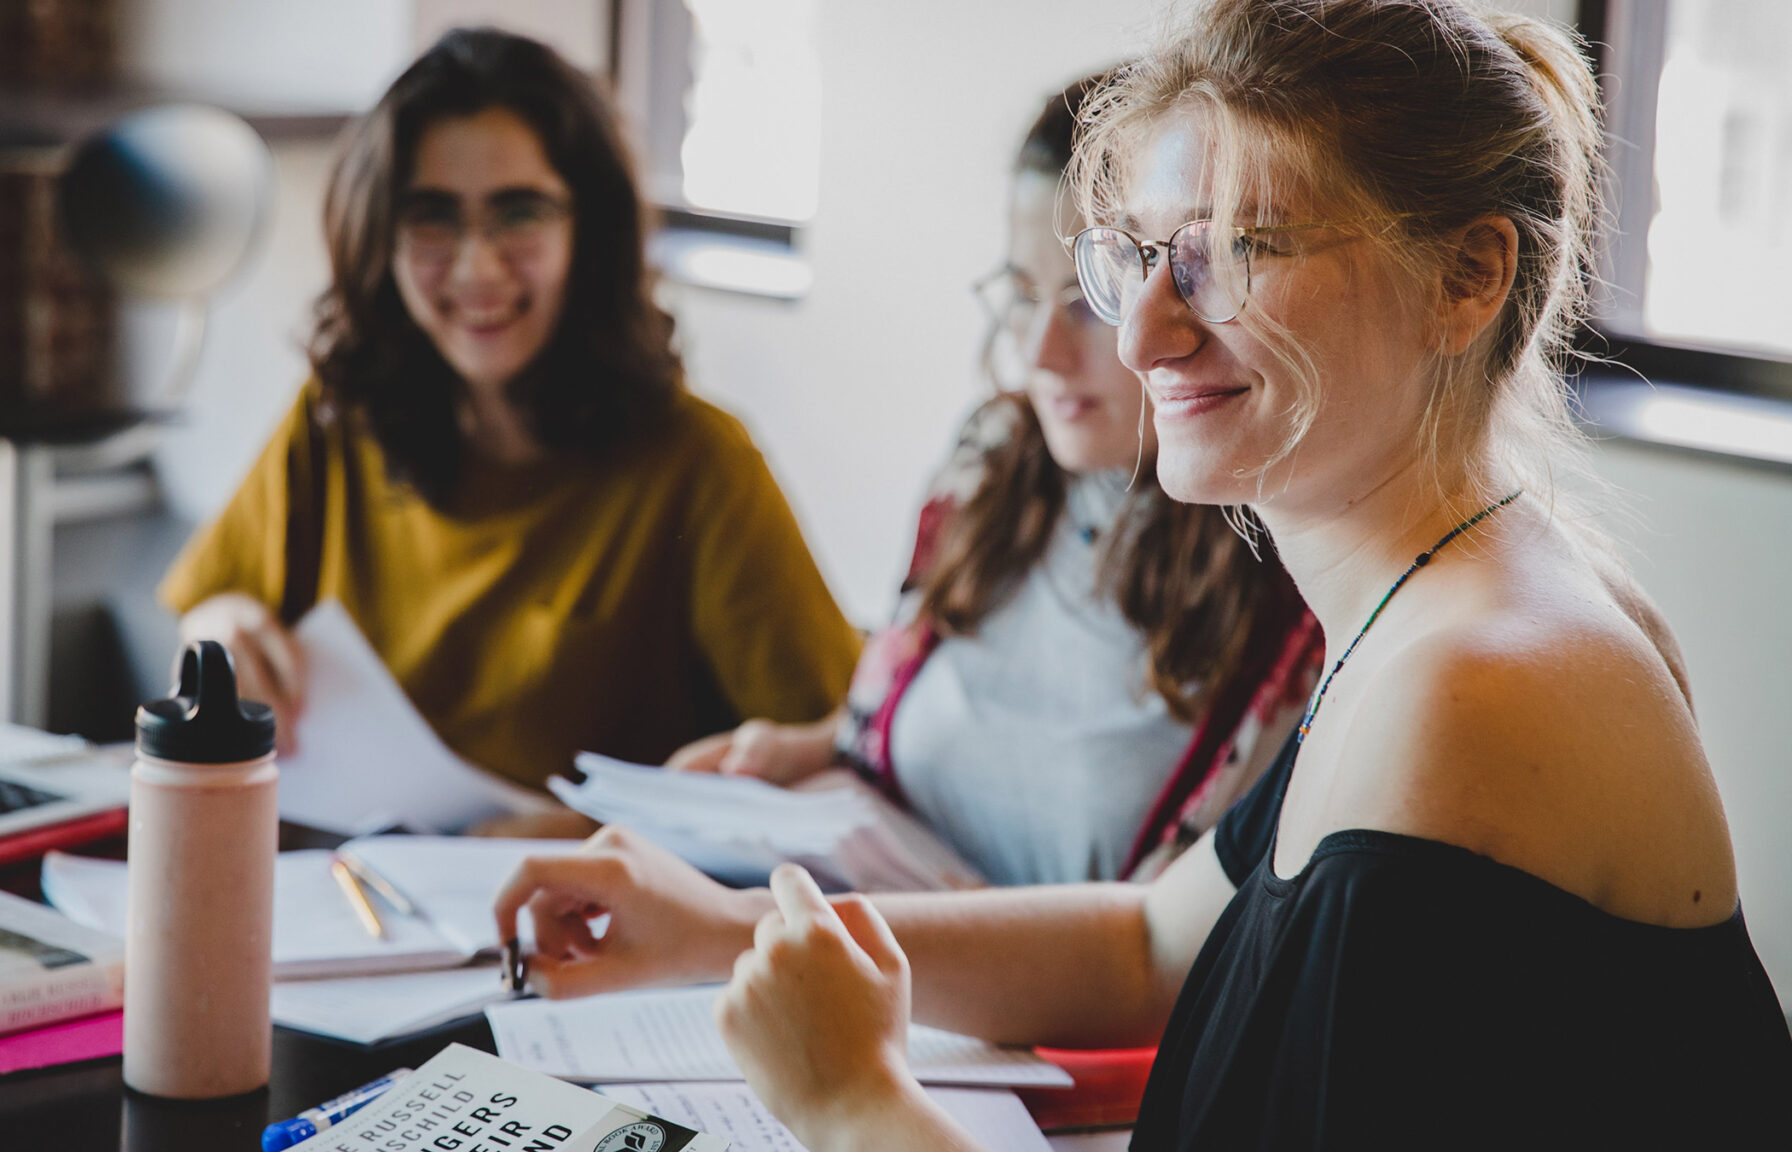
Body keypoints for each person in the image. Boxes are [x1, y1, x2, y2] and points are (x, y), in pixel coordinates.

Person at [495, 0, 1792, 1144]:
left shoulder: (1475, 694)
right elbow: (1151, 943)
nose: (1148, 335)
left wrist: (853, 1105)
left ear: (1468, 278)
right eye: (1139, 259)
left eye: (1239, 252)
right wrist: (716, 932)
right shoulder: (1432, 614)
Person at [159, 29, 861, 821]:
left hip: (585, 922)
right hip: (338, 901)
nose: (476, 269)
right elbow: (211, 609)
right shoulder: (334, 421)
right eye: (432, 220)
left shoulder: (699, 466)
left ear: (587, 231)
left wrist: (597, 829)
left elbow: (843, 753)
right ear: (380, 243)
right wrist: (214, 631)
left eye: (517, 214)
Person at [666, 75, 1320, 887]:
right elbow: (909, 740)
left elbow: (1171, 958)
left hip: (1011, 1009)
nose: (1039, 353)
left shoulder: (1293, 595)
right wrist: (802, 751)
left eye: (1091, 300)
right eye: (1019, 295)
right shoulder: (995, 460)